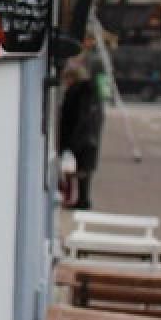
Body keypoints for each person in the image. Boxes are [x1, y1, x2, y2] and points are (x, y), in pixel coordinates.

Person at [58, 58, 105, 209]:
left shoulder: (77, 93)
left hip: (81, 137)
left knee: (78, 170)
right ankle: (81, 199)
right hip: (90, 137)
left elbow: (74, 118)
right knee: (82, 170)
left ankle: (80, 200)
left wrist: (70, 141)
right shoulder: (91, 93)